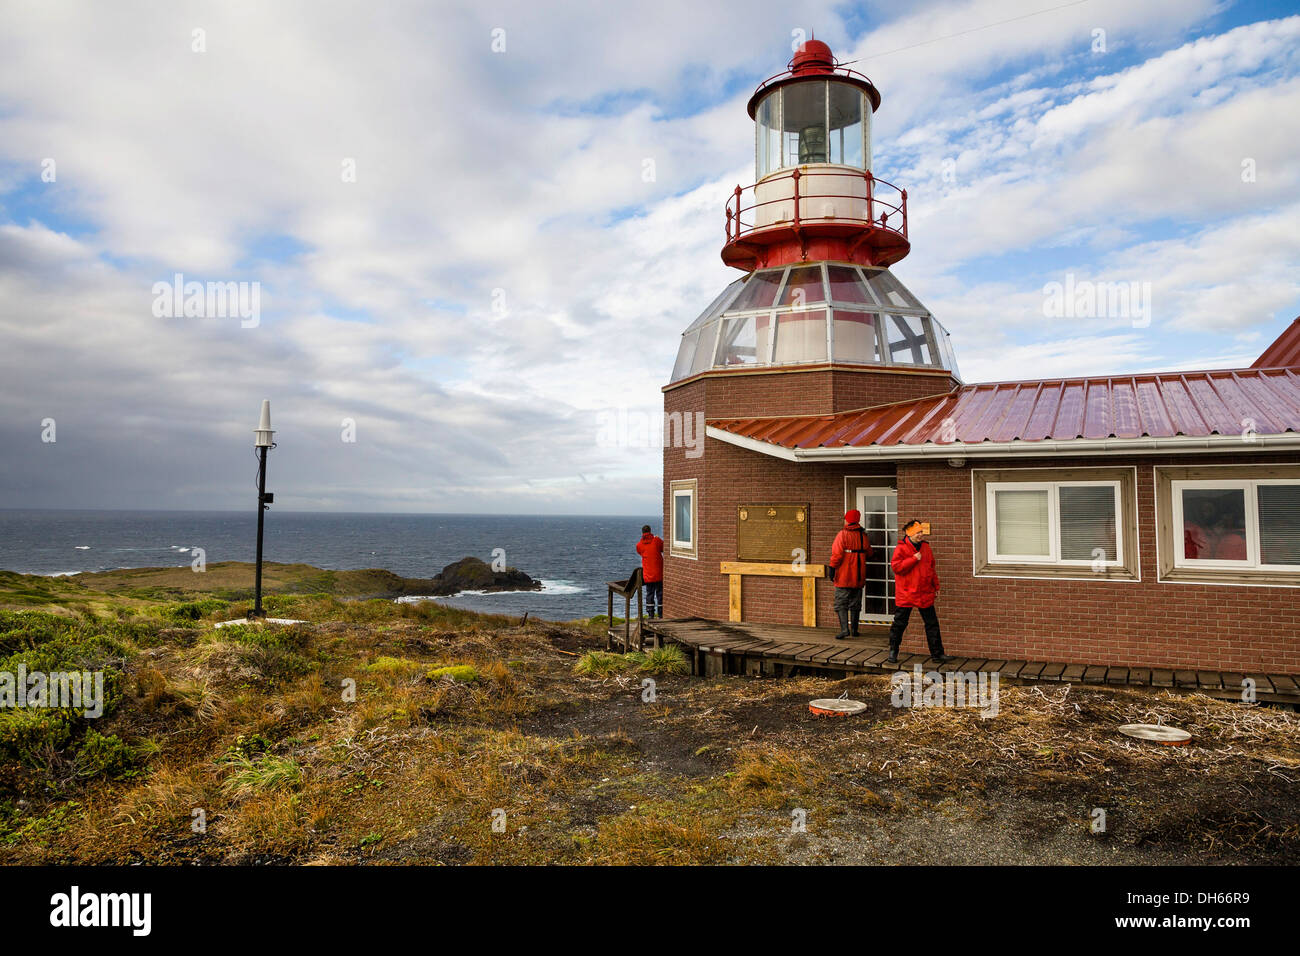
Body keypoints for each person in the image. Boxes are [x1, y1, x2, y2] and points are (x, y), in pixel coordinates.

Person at [888, 519, 950, 663]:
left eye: (921, 532)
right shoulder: (901, 548)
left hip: (924, 591)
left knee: (932, 624)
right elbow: (896, 568)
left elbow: (931, 568)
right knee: (899, 624)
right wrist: (913, 559)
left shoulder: (926, 548)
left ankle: (937, 654)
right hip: (907, 593)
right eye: (918, 532)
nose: (921, 535)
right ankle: (893, 651)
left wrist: (936, 586)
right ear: (910, 534)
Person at [829, 509, 873, 640]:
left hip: (844, 574)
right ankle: (854, 630)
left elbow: (837, 555)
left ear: (847, 519)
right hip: (859, 574)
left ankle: (844, 630)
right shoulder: (863, 535)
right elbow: (869, 553)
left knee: (841, 603)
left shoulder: (842, 534)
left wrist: (832, 568)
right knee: (855, 603)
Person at [636, 524, 664, 619]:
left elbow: (640, 551)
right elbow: (663, 548)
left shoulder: (639, 545)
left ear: (642, 532)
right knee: (660, 593)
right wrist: (658, 538)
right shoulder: (656, 541)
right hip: (659, 573)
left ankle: (651, 614)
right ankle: (661, 614)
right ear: (650, 531)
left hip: (648, 574)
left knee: (649, 594)